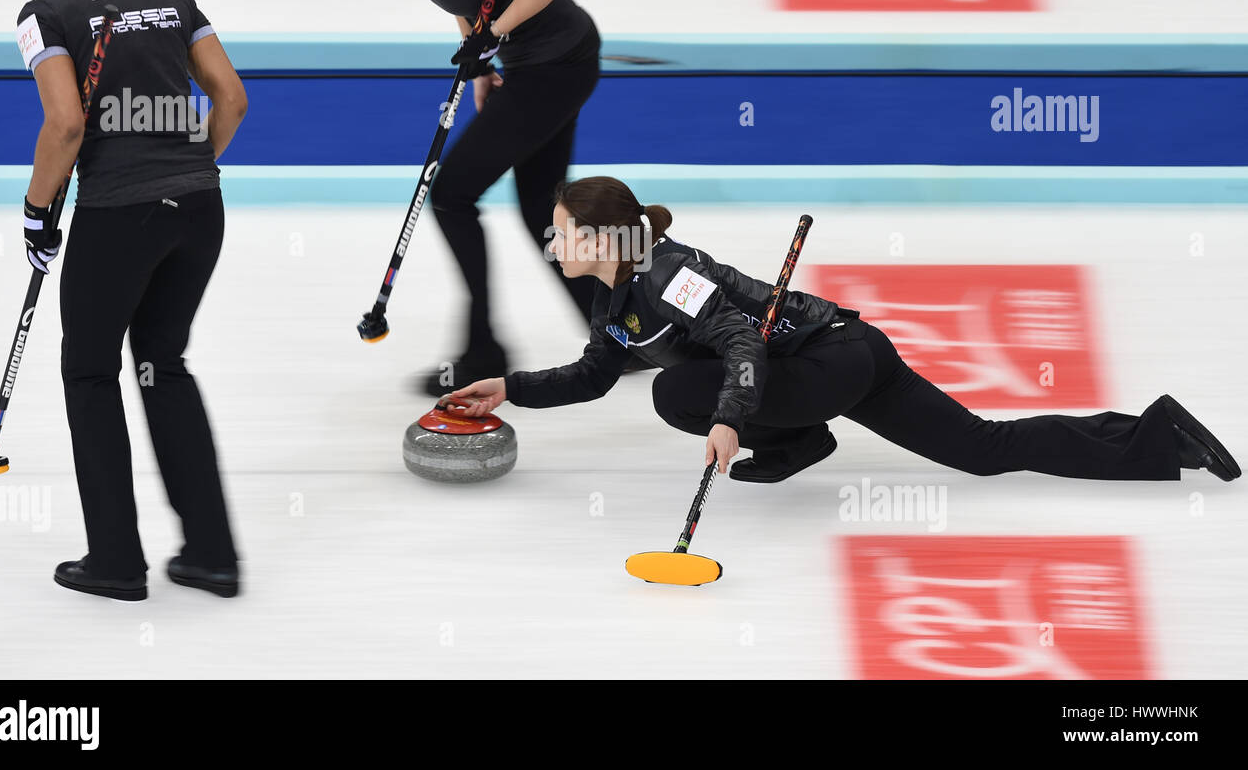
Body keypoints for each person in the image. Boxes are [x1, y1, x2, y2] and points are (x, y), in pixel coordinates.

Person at [439, 175, 1241, 485]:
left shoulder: (665, 273)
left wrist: (728, 418)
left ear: (604, 239)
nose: (553, 241)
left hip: (831, 358)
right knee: (984, 450)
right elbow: (592, 374)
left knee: (683, 391)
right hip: (834, 362)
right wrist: (510, 389)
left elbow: (743, 343)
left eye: (562, 230)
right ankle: (1155, 434)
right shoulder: (613, 299)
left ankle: (796, 440)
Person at [17, 0, 248, 600]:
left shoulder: (46, 10)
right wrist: (187, 169)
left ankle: (116, 559)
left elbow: (65, 122)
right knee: (162, 364)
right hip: (200, 211)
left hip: (119, 215)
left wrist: (35, 209)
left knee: (90, 372)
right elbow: (232, 98)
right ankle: (212, 554)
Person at [336, 0, 620, 397]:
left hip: (556, 64)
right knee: (540, 203)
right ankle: (618, 332)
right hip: (531, 64)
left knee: (451, 193)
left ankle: (483, 350)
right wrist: (485, 59)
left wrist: (495, 33)